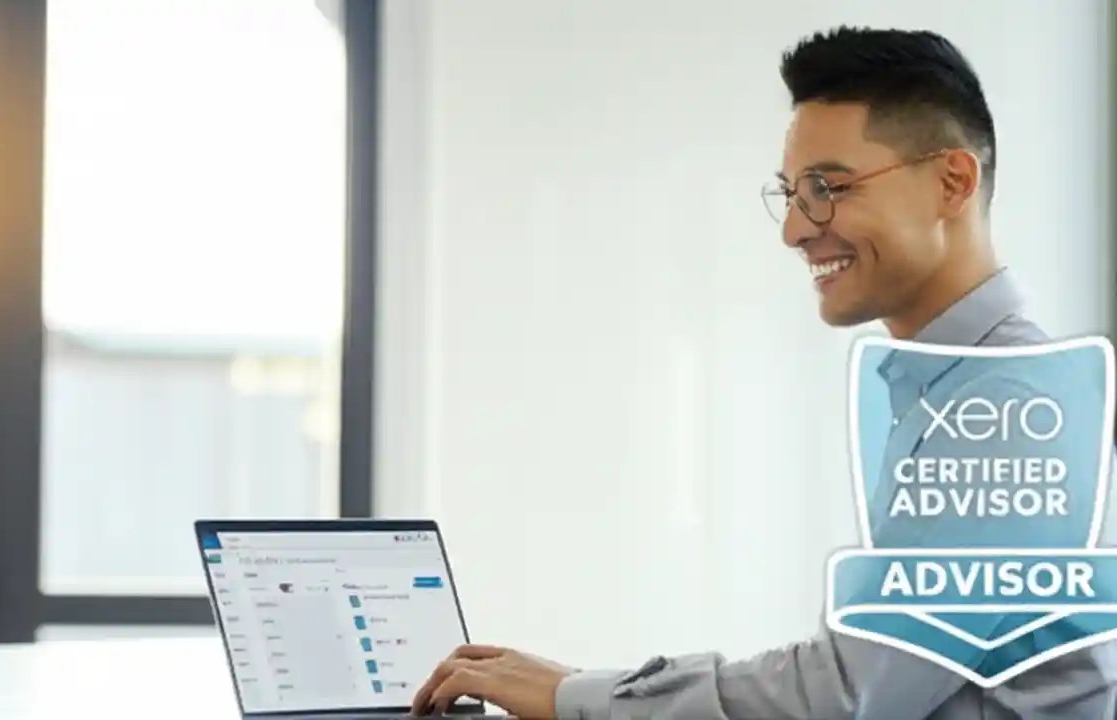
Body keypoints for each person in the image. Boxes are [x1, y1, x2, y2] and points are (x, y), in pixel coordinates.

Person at [410, 26, 1117, 719]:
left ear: (951, 182)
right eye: (791, 193)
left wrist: (575, 697)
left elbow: (848, 695)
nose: (796, 229)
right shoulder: (958, 391)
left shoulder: (1010, 406)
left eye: (829, 187)